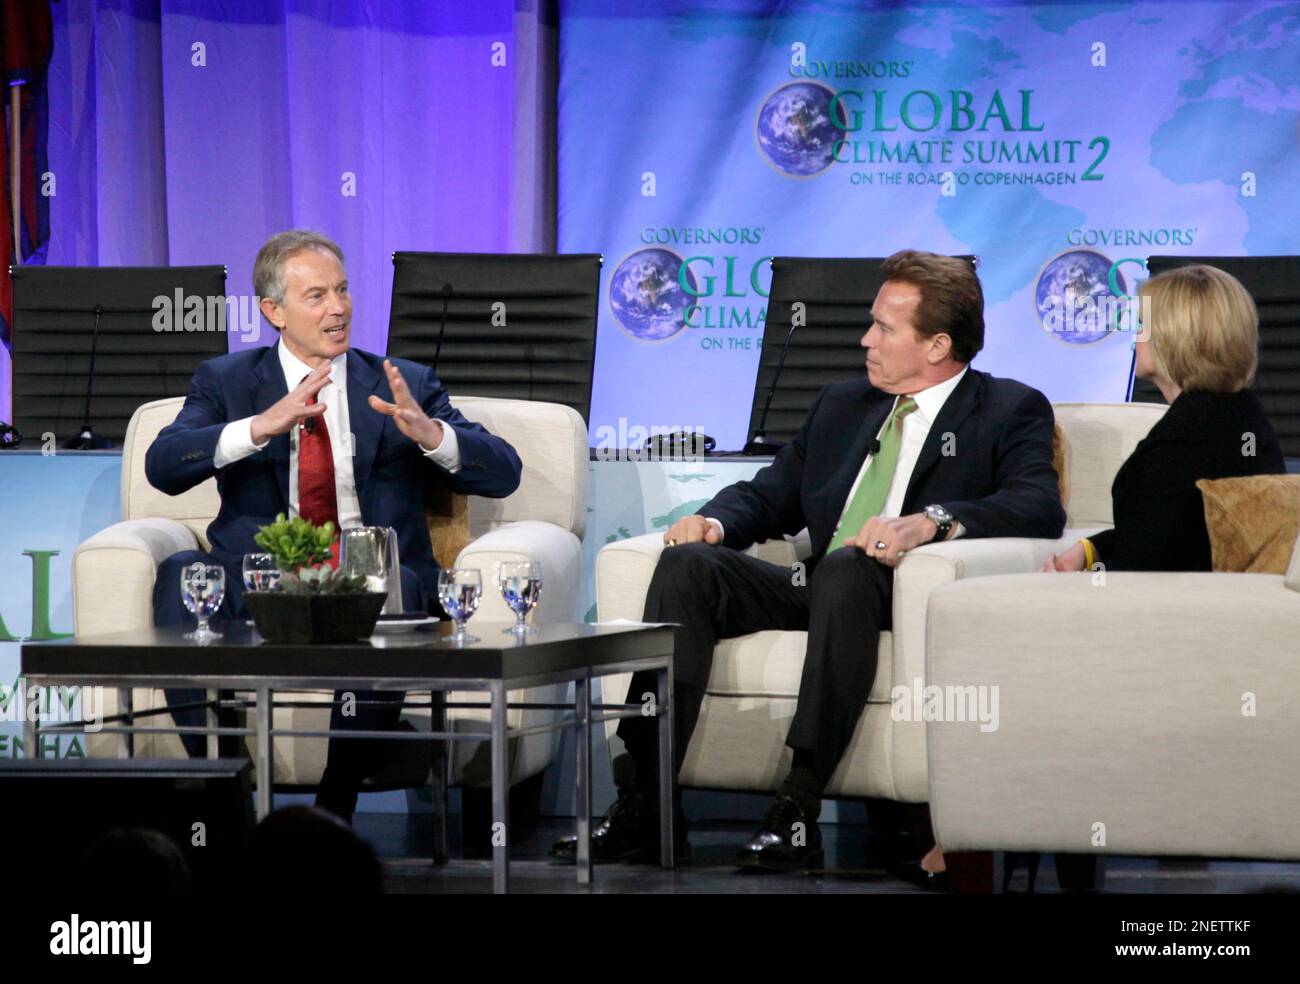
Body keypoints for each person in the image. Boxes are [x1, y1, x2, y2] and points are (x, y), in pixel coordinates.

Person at [553, 250, 1066, 870]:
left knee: (849, 568)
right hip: (820, 589)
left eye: (883, 327)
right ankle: (647, 802)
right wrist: (712, 524)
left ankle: (798, 805)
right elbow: (771, 494)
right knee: (689, 565)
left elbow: (1037, 505)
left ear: (937, 345)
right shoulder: (843, 405)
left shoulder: (1009, 408)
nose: (864, 339)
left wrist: (931, 523)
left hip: (900, 597)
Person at [145, 229, 522, 823]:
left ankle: (333, 808)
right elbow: (164, 466)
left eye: (343, 291)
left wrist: (434, 437)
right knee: (180, 573)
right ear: (273, 311)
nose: (339, 308)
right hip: (259, 579)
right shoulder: (227, 381)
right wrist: (259, 427)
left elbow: (503, 472)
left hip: (369, 579)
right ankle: (225, 793)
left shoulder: (404, 383)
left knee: (398, 587)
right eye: (317, 295)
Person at [1044, 263, 1285, 575]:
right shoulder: (1240, 417)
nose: (1135, 335)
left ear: (1173, 337)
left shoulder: (1179, 445)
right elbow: (1177, 533)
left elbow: (1143, 572)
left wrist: (1071, 589)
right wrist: (1090, 551)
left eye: (1143, 324)